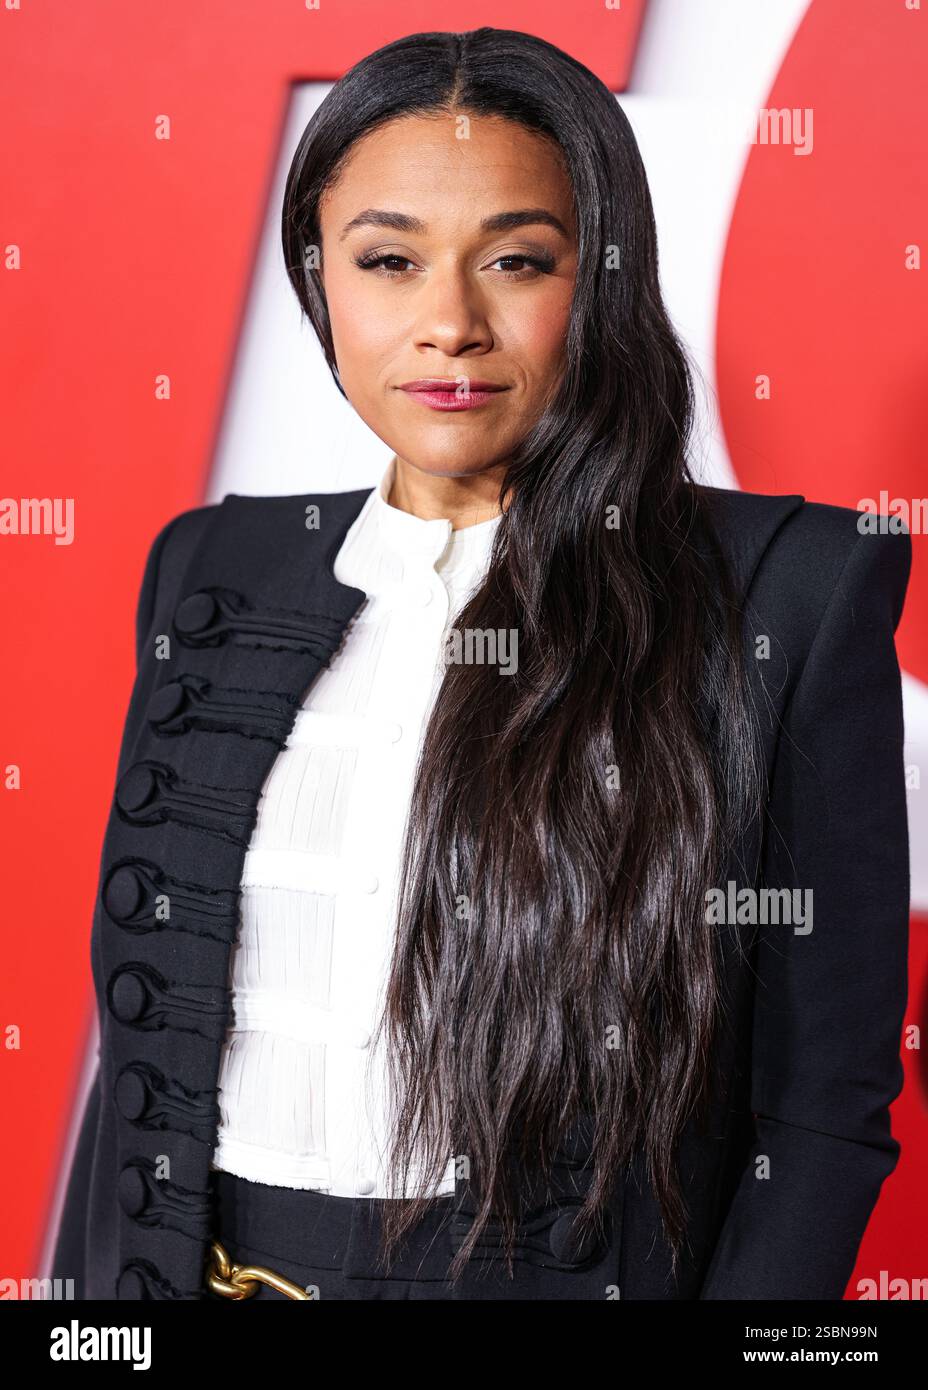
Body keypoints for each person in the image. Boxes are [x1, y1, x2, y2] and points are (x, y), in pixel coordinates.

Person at [51, 27, 911, 1301]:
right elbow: (138, 1068)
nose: (448, 324)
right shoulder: (213, 571)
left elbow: (822, 1101)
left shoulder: (779, 589)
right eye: (387, 260)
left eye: (516, 261)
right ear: (320, 280)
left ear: (605, 277)